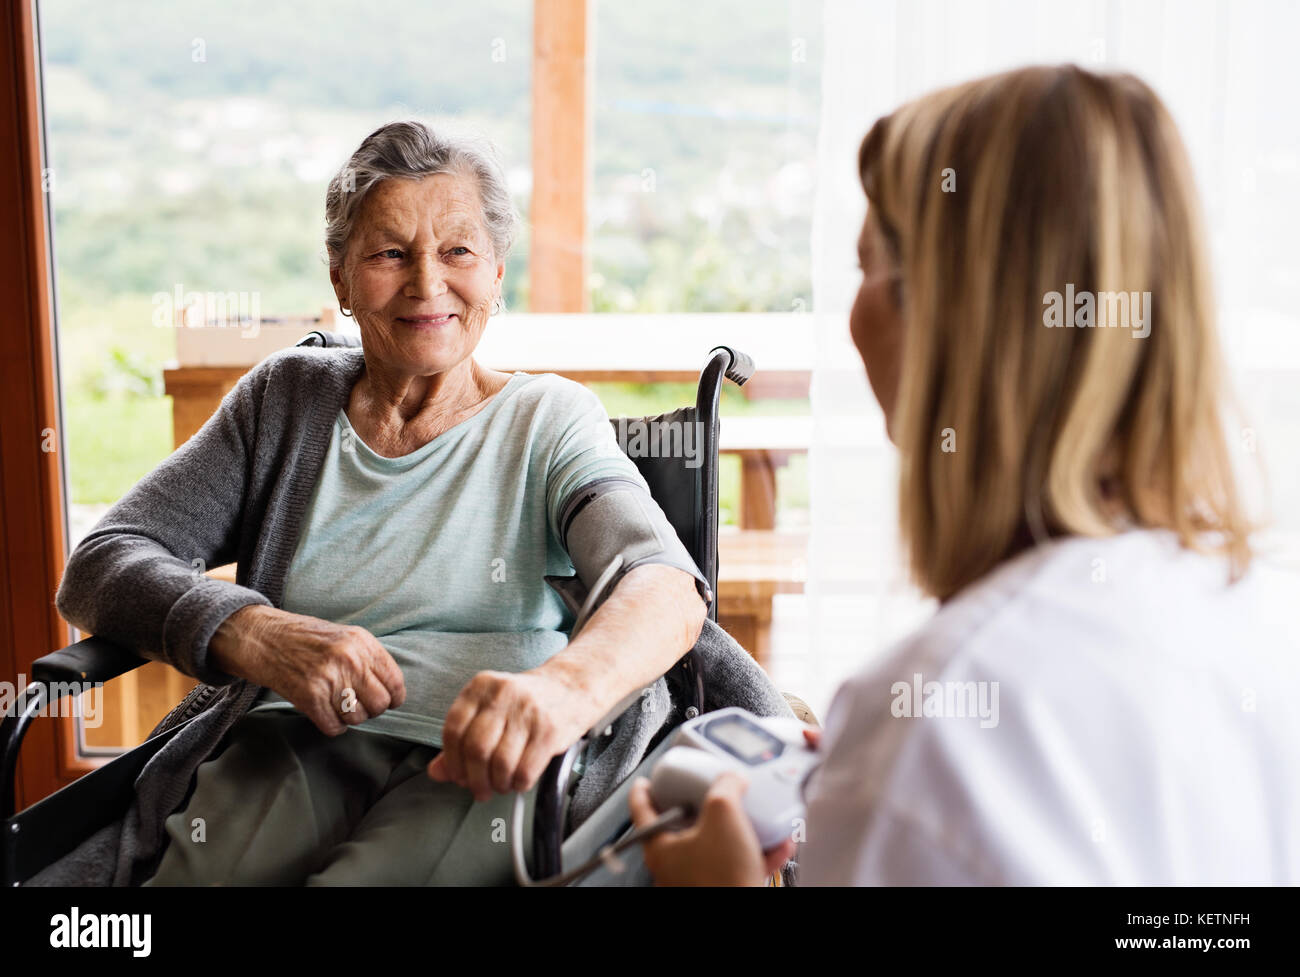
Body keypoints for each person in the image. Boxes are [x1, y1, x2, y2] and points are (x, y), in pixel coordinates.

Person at [628, 64, 1300, 885]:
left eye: (865, 266)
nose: (853, 313)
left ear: (947, 316)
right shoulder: (1261, 606)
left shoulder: (938, 724)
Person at [52, 120, 718, 885]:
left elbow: (662, 585)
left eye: (459, 251)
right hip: (291, 738)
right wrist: (252, 630)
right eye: (389, 253)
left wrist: (562, 692)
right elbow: (103, 561)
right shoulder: (285, 401)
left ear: (497, 271)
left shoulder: (548, 420)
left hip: (479, 758)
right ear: (340, 276)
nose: (427, 284)